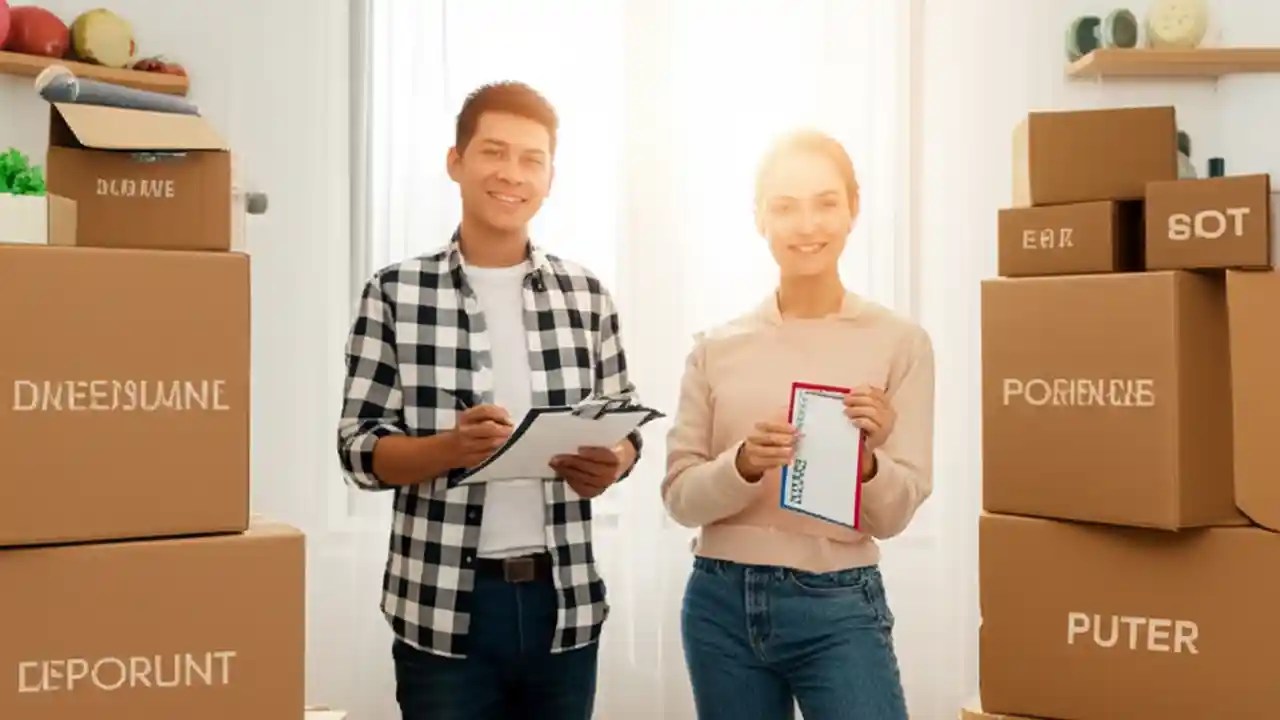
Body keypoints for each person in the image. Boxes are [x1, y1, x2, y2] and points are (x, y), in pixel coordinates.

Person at [337, 80, 644, 720]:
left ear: (551, 177)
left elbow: (627, 423)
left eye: (532, 159)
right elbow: (359, 451)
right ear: (457, 161)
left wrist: (615, 458)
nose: (512, 174)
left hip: (563, 602)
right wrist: (449, 449)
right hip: (444, 604)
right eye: (493, 152)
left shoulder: (586, 295)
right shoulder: (395, 292)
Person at [661, 129, 935, 720]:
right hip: (719, 603)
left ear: (853, 208)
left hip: (839, 605)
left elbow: (894, 513)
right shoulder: (715, 347)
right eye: (784, 206)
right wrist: (741, 464)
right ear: (759, 217)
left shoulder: (900, 344)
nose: (806, 225)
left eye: (825, 202)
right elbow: (680, 498)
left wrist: (866, 463)